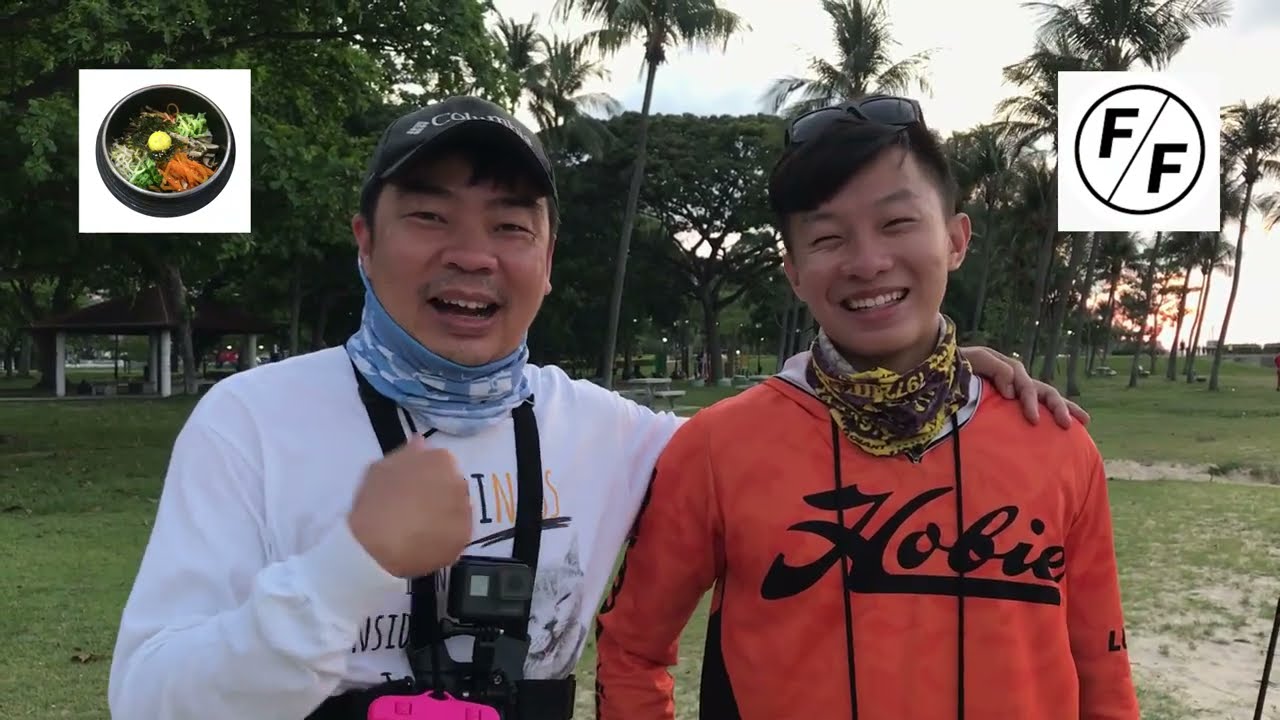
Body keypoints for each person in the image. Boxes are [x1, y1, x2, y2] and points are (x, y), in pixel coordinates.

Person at [106, 95, 1089, 720]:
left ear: (546, 254)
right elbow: (146, 699)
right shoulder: (250, 419)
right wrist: (345, 569)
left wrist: (944, 366)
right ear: (363, 240)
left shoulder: (620, 437)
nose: (471, 252)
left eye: (507, 224)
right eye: (427, 217)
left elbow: (794, 438)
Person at [594, 96, 1139, 720]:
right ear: (794, 271)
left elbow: (1102, 668)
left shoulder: (1055, 441)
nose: (867, 261)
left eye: (897, 223)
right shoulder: (717, 448)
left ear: (956, 239)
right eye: (828, 238)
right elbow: (632, 649)